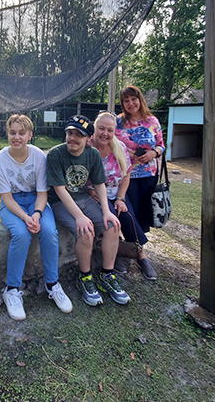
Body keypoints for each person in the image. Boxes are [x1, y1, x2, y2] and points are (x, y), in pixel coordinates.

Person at [0, 114, 73, 321]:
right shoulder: (0, 160)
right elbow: (7, 199)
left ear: (30, 135)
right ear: (7, 134)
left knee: (49, 230)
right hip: (12, 204)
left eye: (21, 133)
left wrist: (36, 214)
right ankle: (11, 289)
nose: (16, 137)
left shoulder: (38, 156)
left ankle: (53, 284)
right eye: (12, 132)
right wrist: (25, 218)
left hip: (36, 201)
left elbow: (42, 194)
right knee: (21, 234)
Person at [46, 114, 130, 306]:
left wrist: (107, 211)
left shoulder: (92, 154)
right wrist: (80, 217)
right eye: (69, 133)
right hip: (60, 202)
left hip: (84, 198)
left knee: (112, 225)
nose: (72, 138)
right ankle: (85, 278)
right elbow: (59, 190)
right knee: (86, 231)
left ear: (87, 138)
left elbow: (100, 184)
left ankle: (107, 275)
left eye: (78, 134)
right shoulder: (56, 154)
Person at [88, 111, 156, 278]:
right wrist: (87, 190)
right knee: (112, 220)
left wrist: (120, 198)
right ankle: (114, 254)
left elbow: (126, 174)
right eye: (101, 129)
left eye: (110, 130)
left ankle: (141, 255)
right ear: (94, 128)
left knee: (128, 216)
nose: (105, 134)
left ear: (114, 132)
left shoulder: (120, 147)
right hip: (95, 195)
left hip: (115, 192)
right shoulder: (86, 147)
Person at [115, 85, 164, 280]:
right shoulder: (118, 123)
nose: (130, 103)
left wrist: (154, 152)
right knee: (127, 213)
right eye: (126, 101)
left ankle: (132, 250)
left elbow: (161, 144)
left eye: (133, 99)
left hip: (148, 175)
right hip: (123, 176)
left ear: (140, 99)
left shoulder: (152, 121)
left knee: (142, 216)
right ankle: (138, 255)